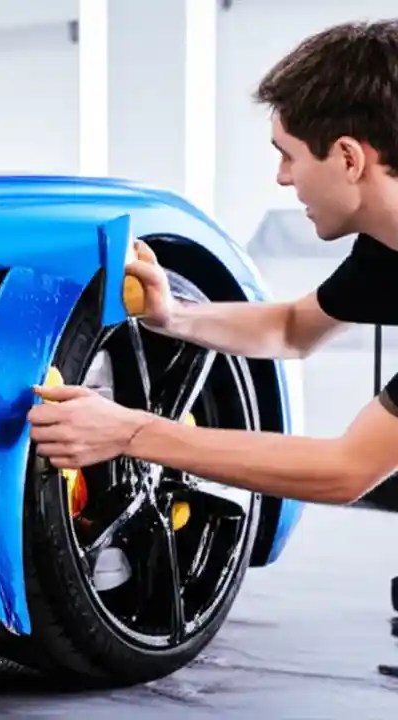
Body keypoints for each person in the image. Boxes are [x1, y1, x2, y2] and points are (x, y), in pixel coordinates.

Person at [27, 19, 398, 679]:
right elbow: (291, 330)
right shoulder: (386, 249)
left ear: (348, 157)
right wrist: (175, 315)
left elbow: (347, 470)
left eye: (288, 155)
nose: (283, 179)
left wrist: (131, 432)